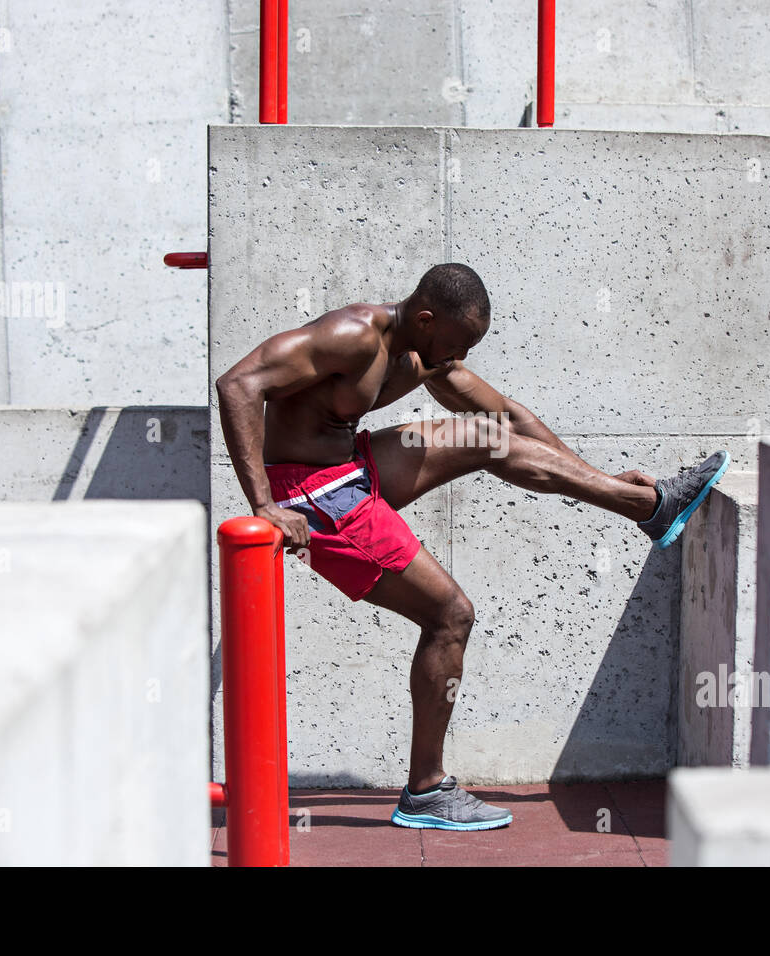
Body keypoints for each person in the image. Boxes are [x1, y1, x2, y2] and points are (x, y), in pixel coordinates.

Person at [215, 263, 728, 831]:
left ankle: (647, 509)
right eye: (457, 343)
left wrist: (601, 478)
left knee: (487, 435)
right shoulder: (353, 335)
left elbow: (509, 417)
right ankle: (426, 790)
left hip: (352, 464)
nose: (457, 357)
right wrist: (264, 505)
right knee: (450, 615)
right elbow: (239, 384)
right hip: (310, 496)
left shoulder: (422, 357)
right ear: (427, 319)